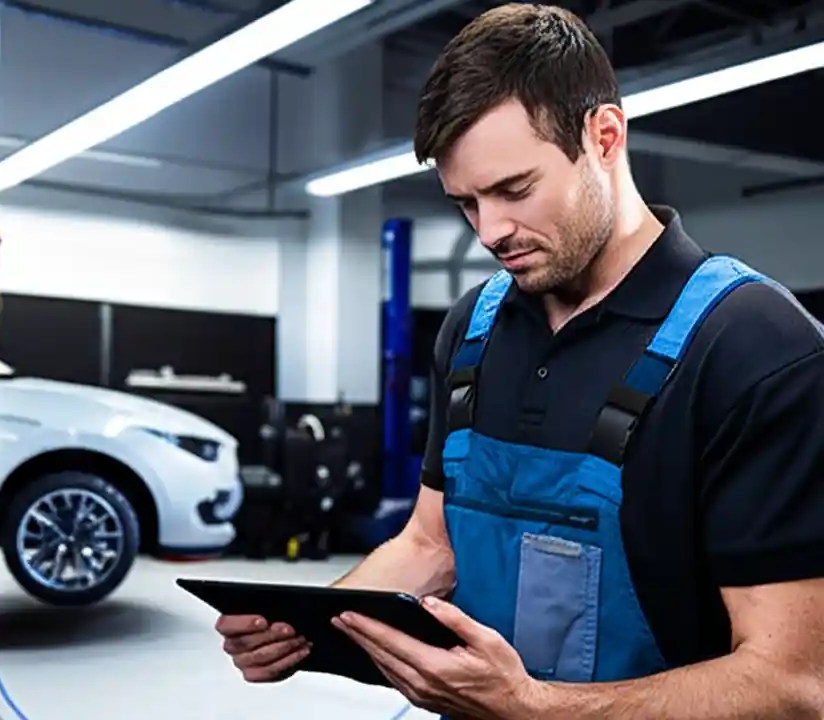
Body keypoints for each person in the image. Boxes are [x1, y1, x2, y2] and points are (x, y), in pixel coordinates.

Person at [214, 4, 824, 717]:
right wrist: (307, 624)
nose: (491, 231)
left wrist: (534, 707)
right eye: (466, 204)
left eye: (514, 189)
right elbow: (431, 542)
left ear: (604, 137)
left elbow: (793, 684)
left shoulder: (757, 347)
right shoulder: (473, 327)